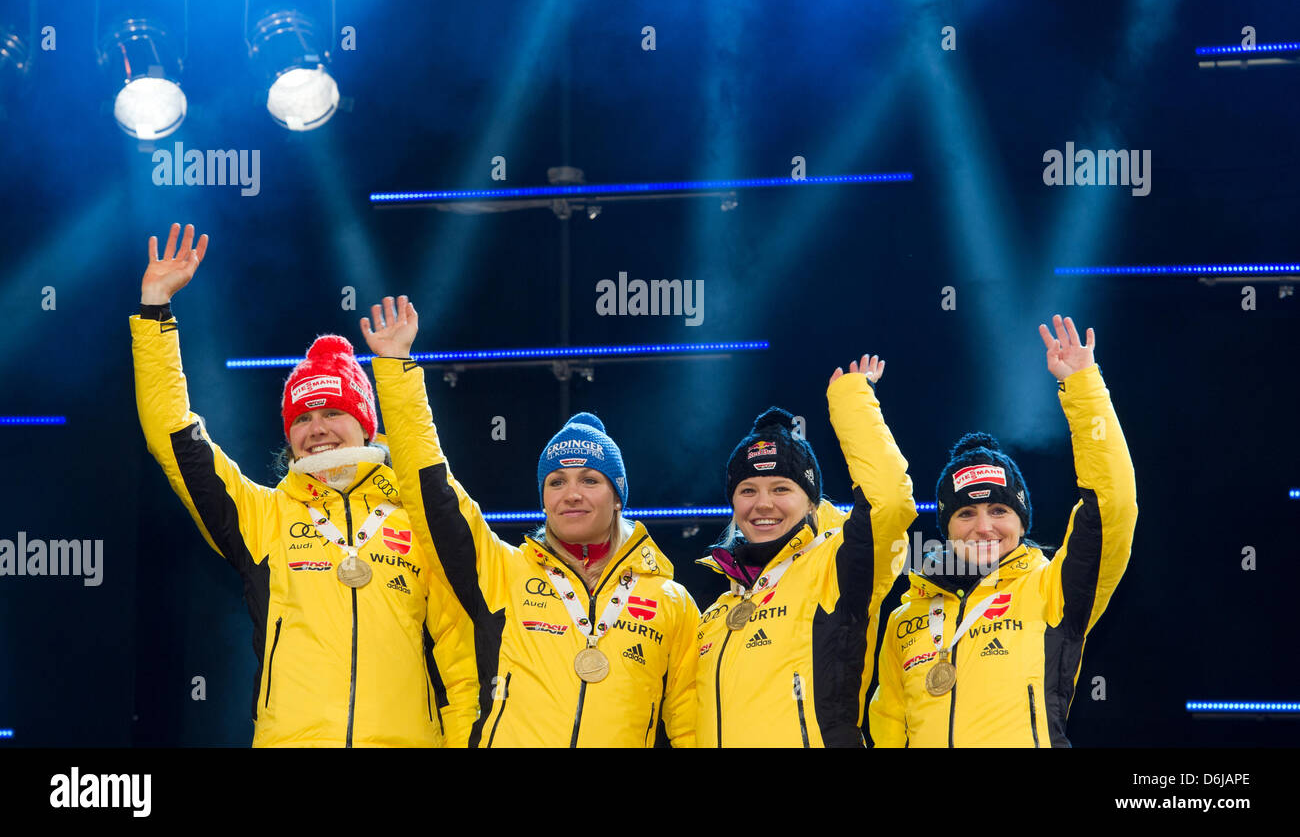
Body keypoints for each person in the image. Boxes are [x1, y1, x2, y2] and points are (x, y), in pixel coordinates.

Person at [131, 223, 477, 747]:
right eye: (302, 418)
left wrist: (395, 369)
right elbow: (175, 439)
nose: (316, 429)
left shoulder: (421, 520)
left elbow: (462, 661)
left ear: (367, 425)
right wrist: (155, 310)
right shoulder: (263, 518)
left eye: (333, 412)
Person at [361, 295, 700, 747]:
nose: (571, 494)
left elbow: (693, 725)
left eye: (590, 480)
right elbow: (433, 495)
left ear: (618, 497)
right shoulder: (502, 573)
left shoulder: (672, 602)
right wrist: (396, 370)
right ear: (543, 500)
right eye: (556, 482)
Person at [869, 315, 1138, 747]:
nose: (983, 527)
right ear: (946, 526)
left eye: (998, 510)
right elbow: (887, 727)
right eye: (965, 514)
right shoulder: (907, 616)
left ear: (1022, 521)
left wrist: (1085, 389)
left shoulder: (1053, 590)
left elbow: (1112, 509)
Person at [694, 353, 918, 747]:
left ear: (812, 503)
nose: (763, 504)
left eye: (782, 489)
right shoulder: (716, 612)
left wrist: (853, 401)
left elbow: (889, 503)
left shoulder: (838, 567)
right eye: (748, 491)